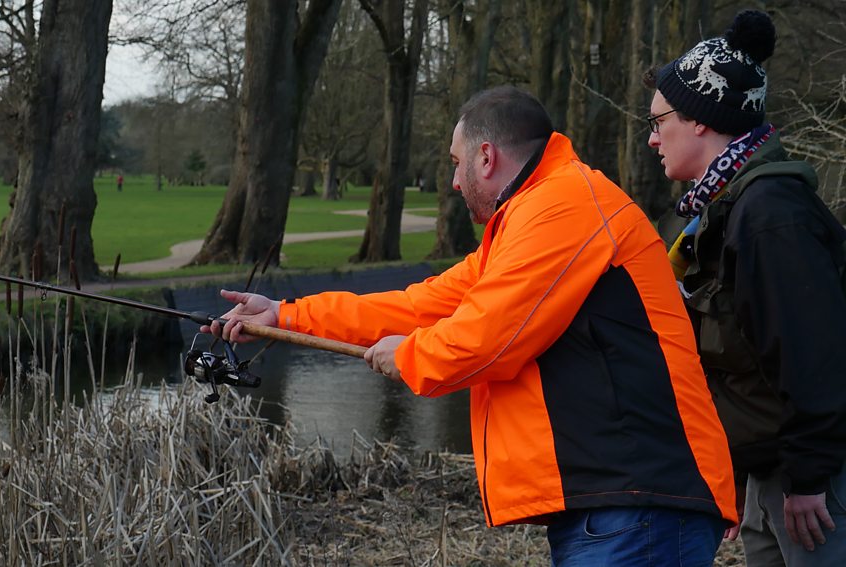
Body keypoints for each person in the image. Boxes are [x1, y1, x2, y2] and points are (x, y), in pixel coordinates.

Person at [206, 85, 736, 566]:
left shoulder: (564, 208)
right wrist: (288, 314)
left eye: (457, 165)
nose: (455, 182)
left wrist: (409, 357)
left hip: (639, 502)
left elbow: (486, 341)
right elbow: (427, 305)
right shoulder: (527, 220)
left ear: (488, 157)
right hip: (616, 503)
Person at [646, 9, 846, 565]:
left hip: (814, 484)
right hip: (772, 472)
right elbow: (743, 366)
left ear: (702, 120)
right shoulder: (722, 210)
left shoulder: (769, 216)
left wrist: (810, 477)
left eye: (659, 121)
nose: (652, 138)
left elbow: (815, 356)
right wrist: (729, 466)